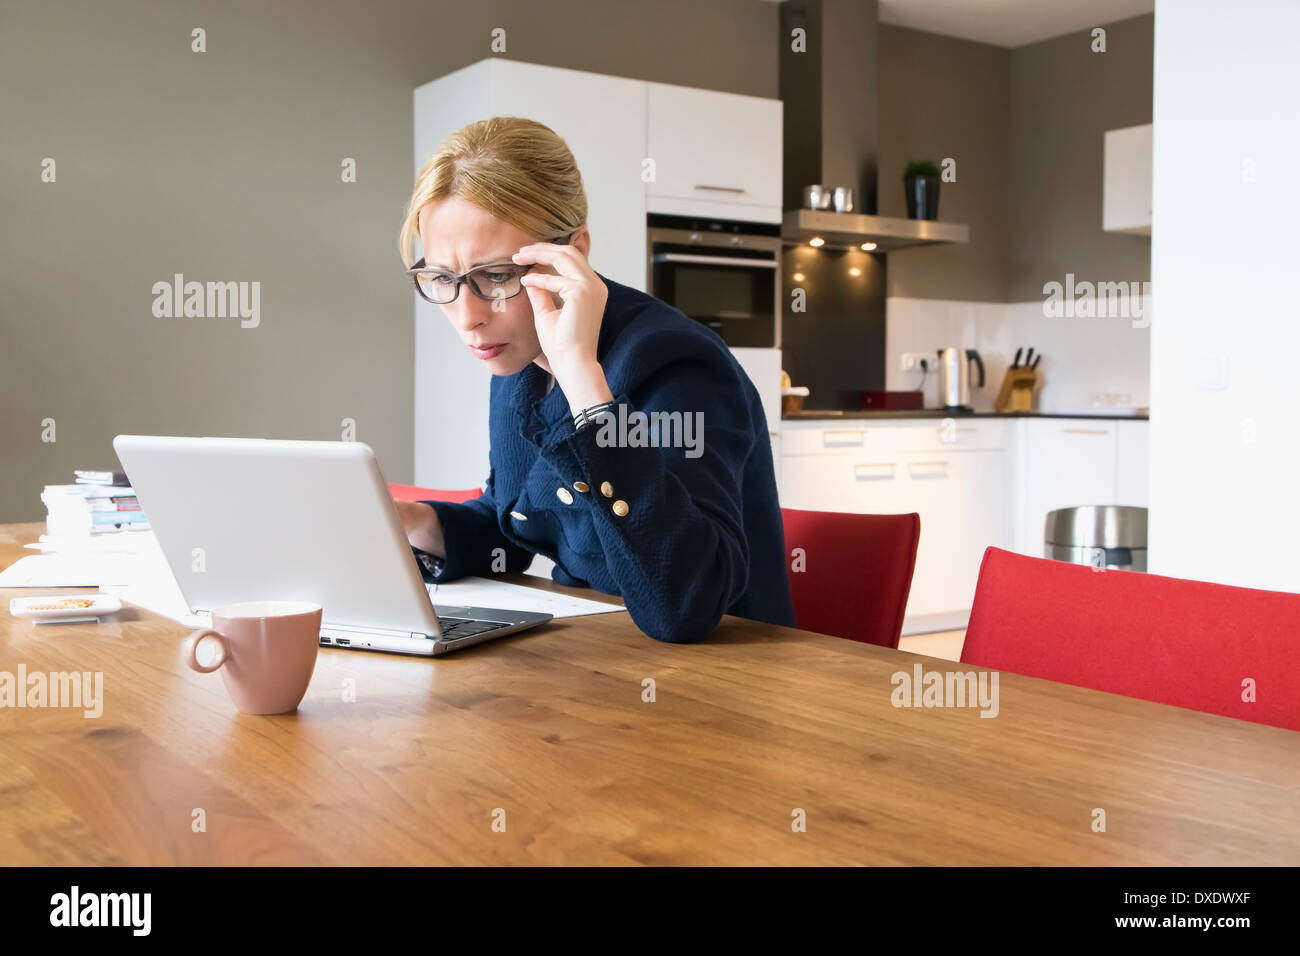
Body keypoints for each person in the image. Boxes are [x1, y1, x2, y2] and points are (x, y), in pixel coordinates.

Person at [394, 116, 793, 643]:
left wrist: (583, 381)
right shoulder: (517, 352)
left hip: (723, 685)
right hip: (593, 661)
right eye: (443, 279)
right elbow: (514, 522)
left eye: (495, 277)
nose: (468, 316)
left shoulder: (678, 364)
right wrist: (407, 521)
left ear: (572, 254)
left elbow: (684, 606)